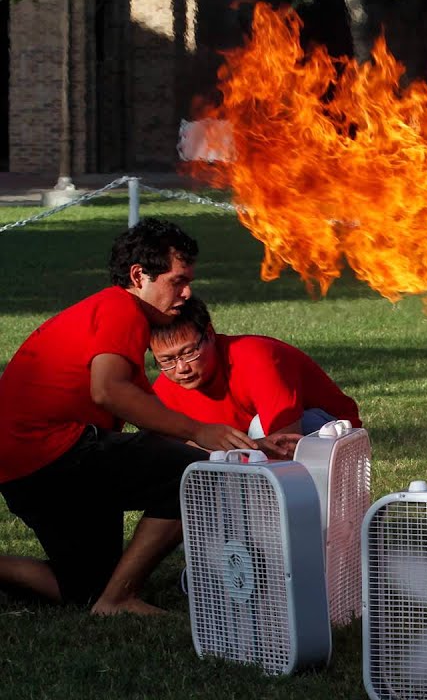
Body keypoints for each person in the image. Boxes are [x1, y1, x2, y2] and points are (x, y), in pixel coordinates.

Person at [0, 219, 268, 616]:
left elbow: (153, 417)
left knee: (84, 589)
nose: (187, 292)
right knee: (197, 479)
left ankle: (103, 595)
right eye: (178, 281)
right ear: (139, 275)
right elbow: (108, 391)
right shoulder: (121, 308)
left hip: (23, 470)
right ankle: (120, 599)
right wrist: (198, 431)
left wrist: (245, 446)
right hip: (53, 453)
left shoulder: (106, 314)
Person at [149, 295, 361, 442]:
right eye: (166, 360)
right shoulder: (164, 391)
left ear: (210, 334)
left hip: (331, 435)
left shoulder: (256, 357)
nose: (181, 368)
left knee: (260, 429)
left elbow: (285, 443)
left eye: (189, 353)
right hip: (250, 449)